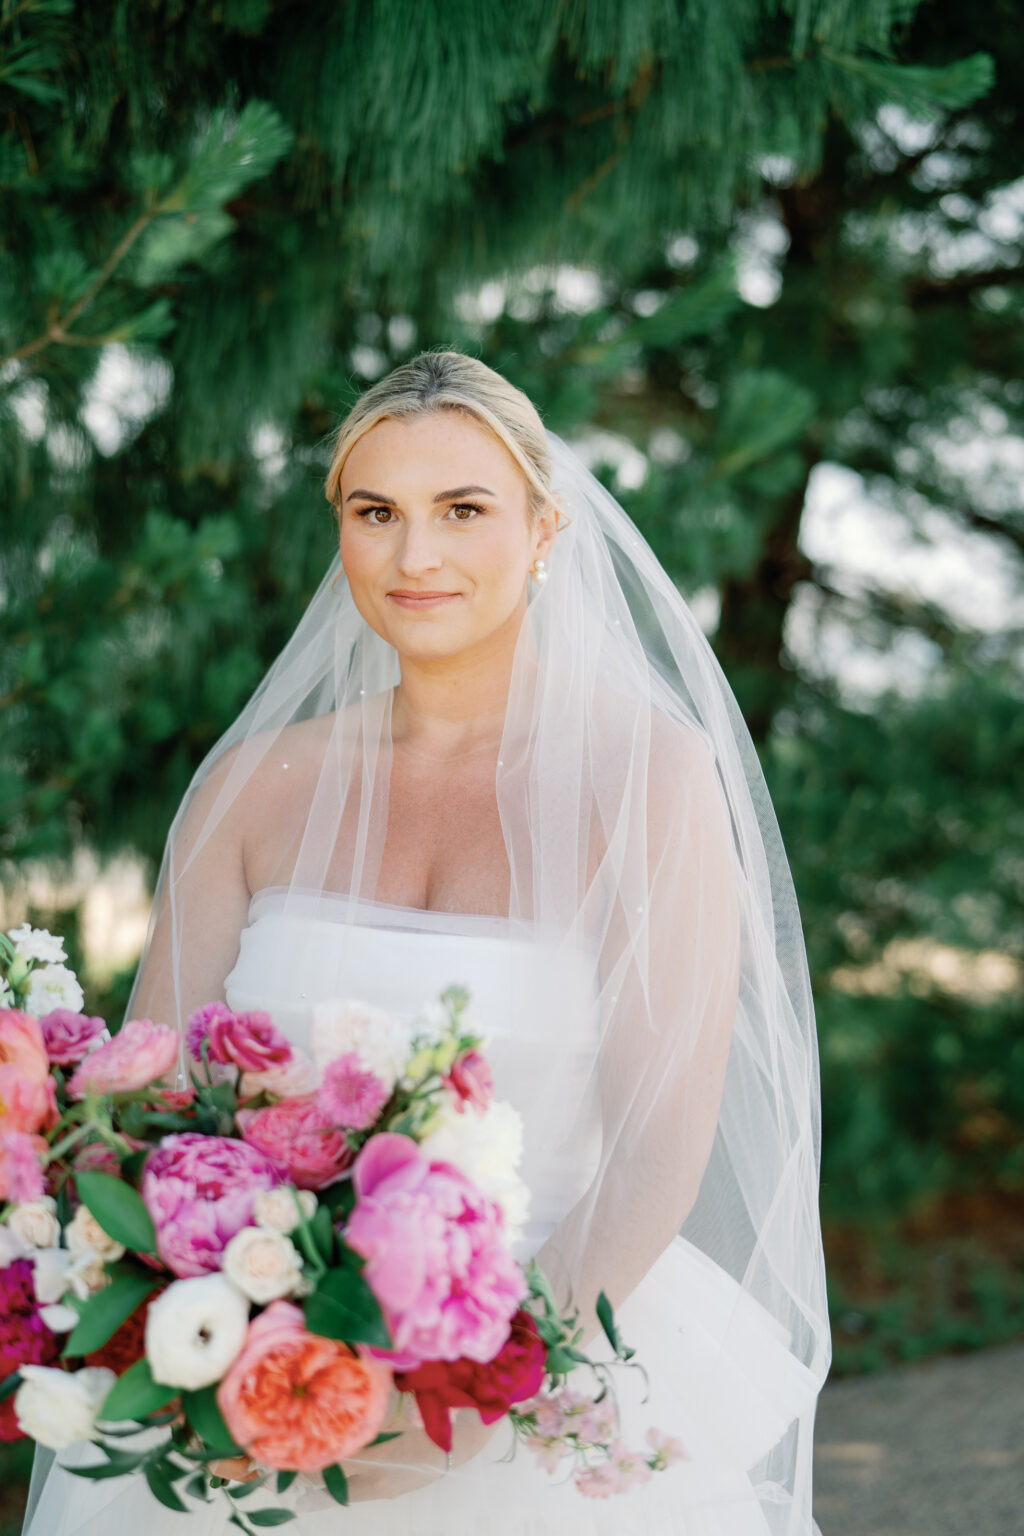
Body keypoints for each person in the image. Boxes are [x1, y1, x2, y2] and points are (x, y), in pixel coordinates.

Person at [24, 349, 831, 1535]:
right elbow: (149, 1113)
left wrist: (464, 1400)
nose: (416, 557)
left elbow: (659, 1146)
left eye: (462, 510)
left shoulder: (648, 779)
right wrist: (232, 1357)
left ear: (543, 528)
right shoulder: (250, 788)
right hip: (260, 1378)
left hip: (547, 1354)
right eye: (375, 513)